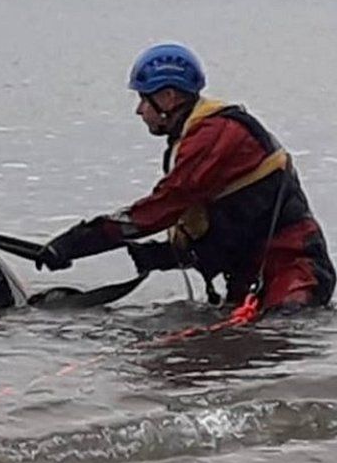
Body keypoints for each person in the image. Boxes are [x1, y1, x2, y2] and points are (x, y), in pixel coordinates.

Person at [35, 43, 335, 312]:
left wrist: (76, 243)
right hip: (254, 275)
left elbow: (160, 208)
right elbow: (226, 227)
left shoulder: (215, 136)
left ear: (168, 97)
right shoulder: (198, 136)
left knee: (283, 330)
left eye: (144, 99)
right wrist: (161, 256)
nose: (139, 111)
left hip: (295, 272)